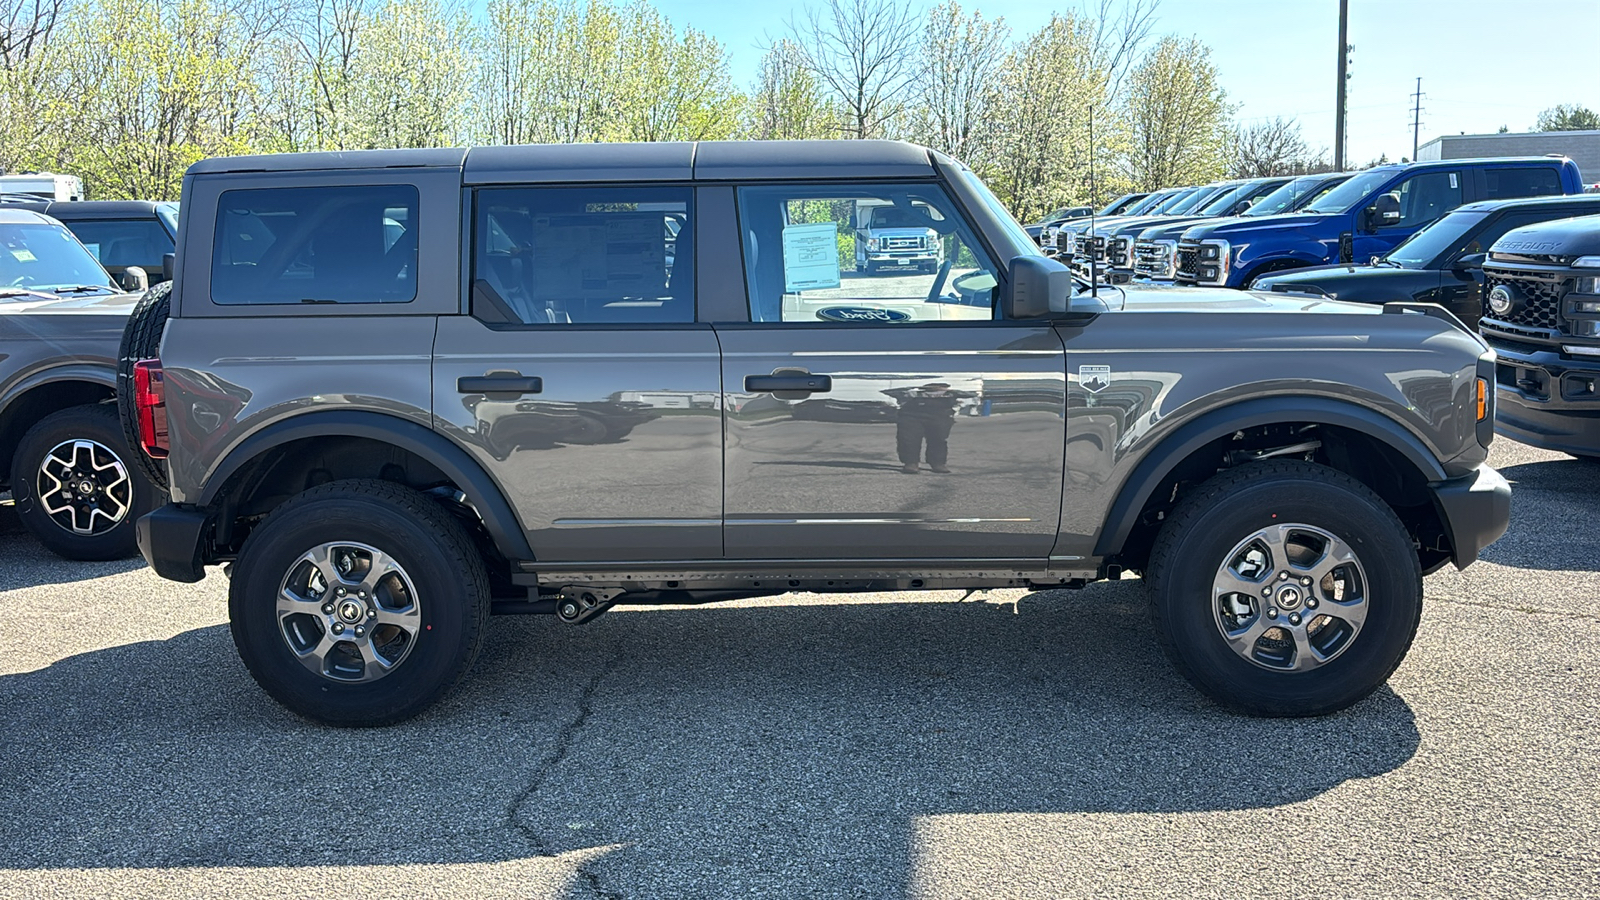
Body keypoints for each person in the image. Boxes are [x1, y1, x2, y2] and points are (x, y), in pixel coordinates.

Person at [883, 382, 972, 474]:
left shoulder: (950, 394)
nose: (937, 388)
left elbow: (971, 394)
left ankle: (938, 463)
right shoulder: (912, 393)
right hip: (911, 417)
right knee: (908, 439)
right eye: (934, 387)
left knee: (938, 440)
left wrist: (949, 391)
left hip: (939, 417)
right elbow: (887, 392)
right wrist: (914, 388)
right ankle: (911, 463)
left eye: (940, 387)